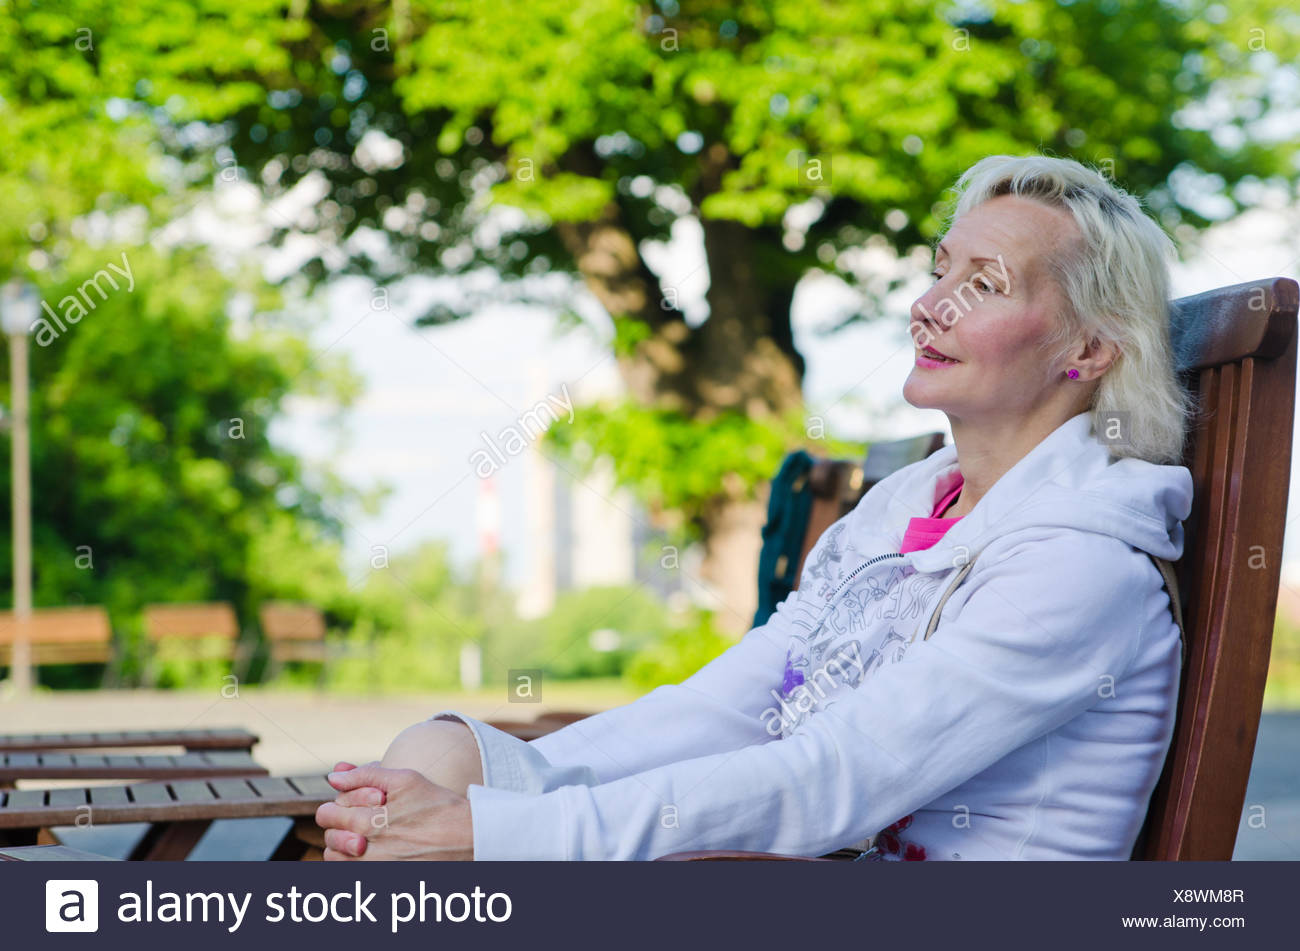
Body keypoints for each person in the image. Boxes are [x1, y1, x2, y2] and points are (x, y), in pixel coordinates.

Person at [316, 153, 1196, 861]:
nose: (930, 306)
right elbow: (734, 703)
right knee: (436, 755)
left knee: (444, 849)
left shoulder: (1079, 564)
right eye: (939, 271)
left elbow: (833, 778)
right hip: (816, 869)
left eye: (986, 284)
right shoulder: (905, 506)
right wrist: (511, 783)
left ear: (1087, 348)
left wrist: (495, 833)